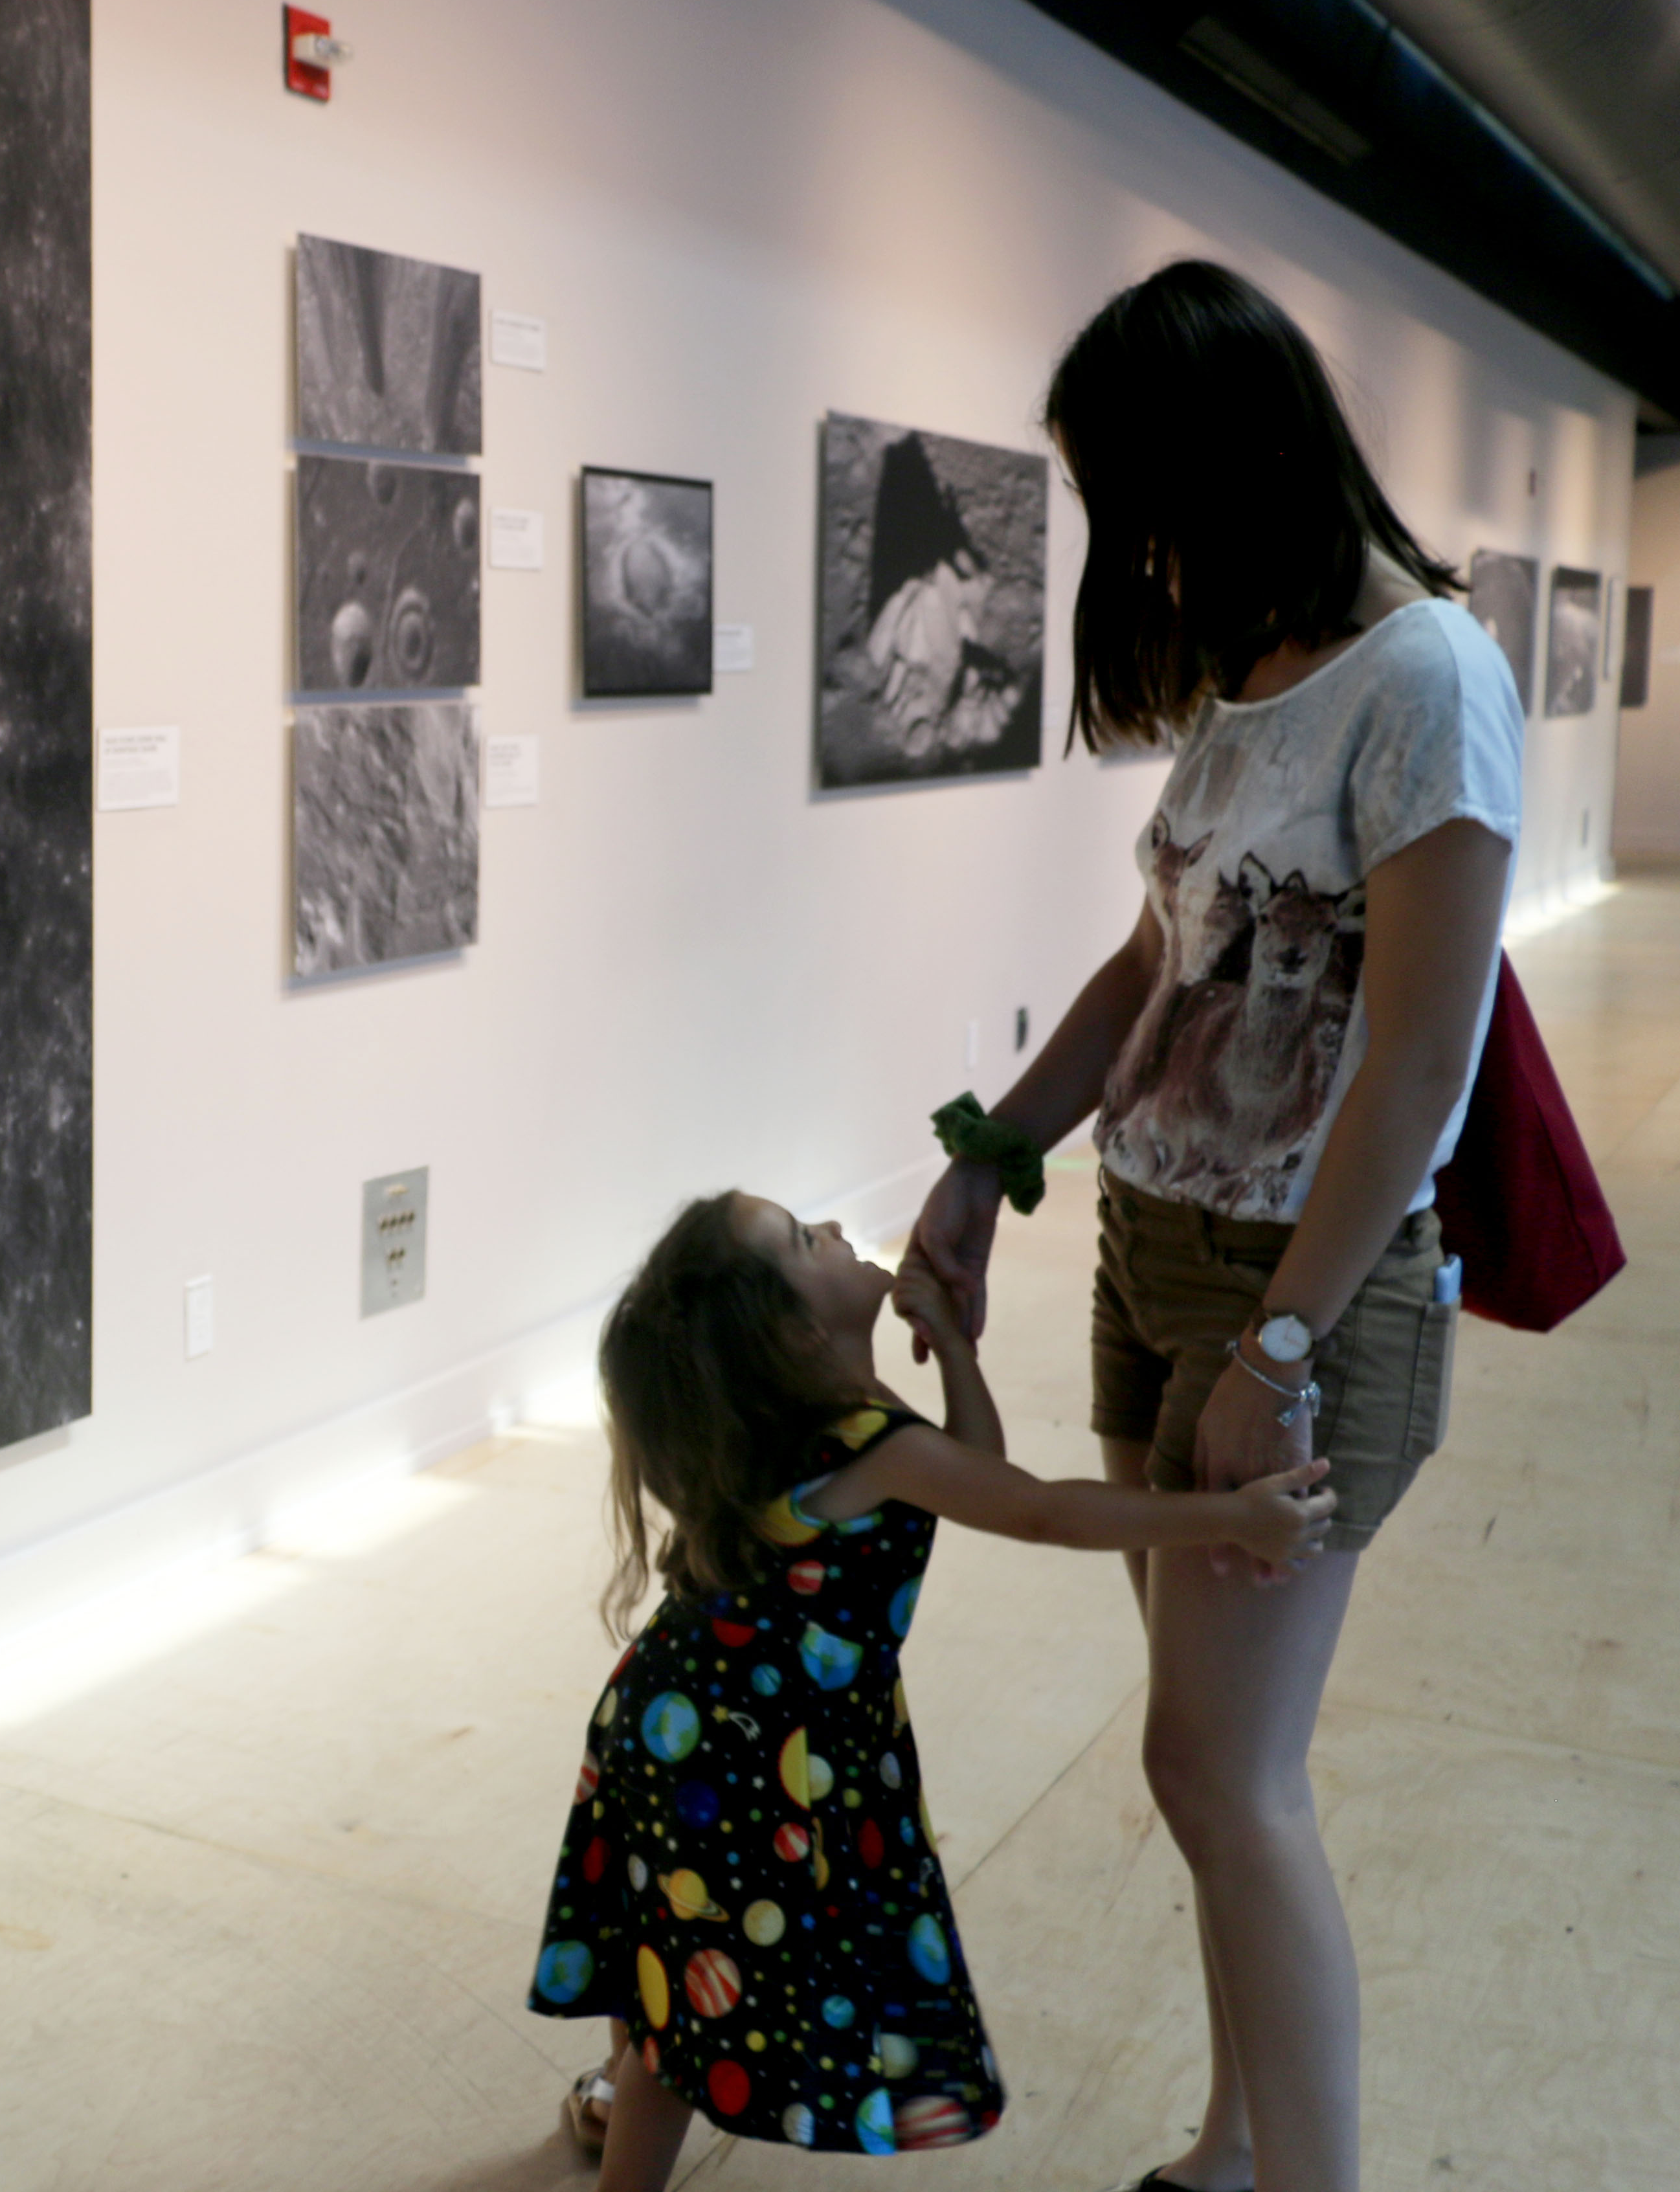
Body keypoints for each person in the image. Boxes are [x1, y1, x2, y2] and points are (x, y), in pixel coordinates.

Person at [910, 260, 1520, 2192]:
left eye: (1141, 502)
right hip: (1149, 1258)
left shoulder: (1424, 679)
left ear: (1234, 460)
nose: (1136, 554)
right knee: (1216, 1774)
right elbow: (1151, 970)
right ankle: (1237, 2145)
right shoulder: (1258, 681)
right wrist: (985, 1159)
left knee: (1220, 1773)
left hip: (1299, 1296)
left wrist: (1279, 1349)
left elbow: (1423, 1057)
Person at [531, 1191, 1336, 2191]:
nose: (829, 1225)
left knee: (668, 1945)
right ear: (790, 1330)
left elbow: (979, 1473)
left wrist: (952, 1345)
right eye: (800, 1238)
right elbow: (1037, 1511)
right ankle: (628, 2142)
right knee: (686, 2025)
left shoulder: (815, 1422)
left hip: (676, 1721)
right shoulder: (868, 1443)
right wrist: (1224, 1518)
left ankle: (614, 2096)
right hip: (738, 1751)